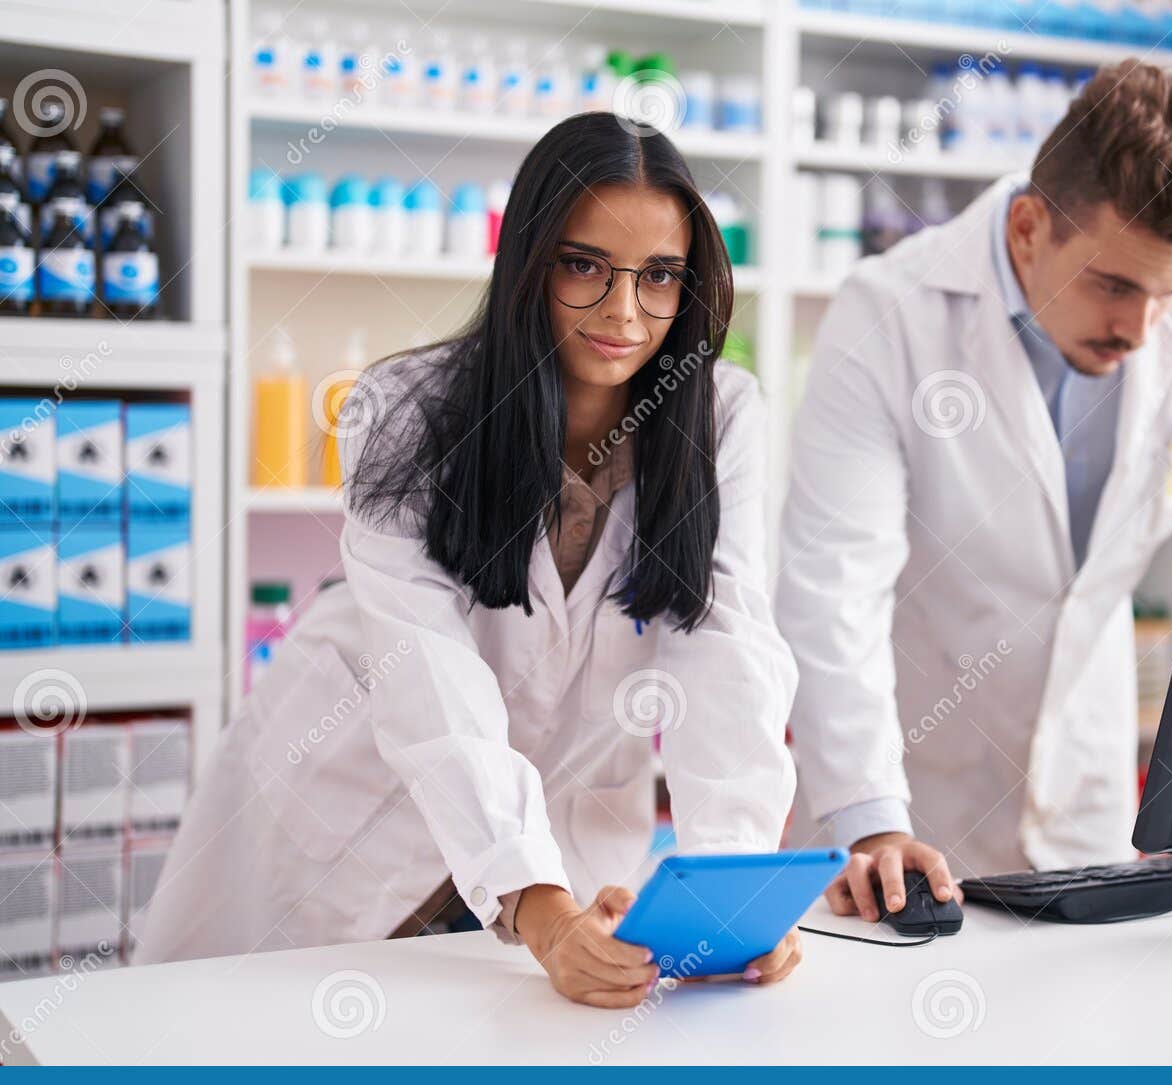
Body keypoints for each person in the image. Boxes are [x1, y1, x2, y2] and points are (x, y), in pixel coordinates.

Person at [137, 114, 802, 1007]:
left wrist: (734, 895)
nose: (623, 311)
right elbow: (428, 674)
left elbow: (727, 647)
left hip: (570, 831)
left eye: (659, 277)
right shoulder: (404, 410)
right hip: (355, 810)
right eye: (584, 266)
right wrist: (539, 907)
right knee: (282, 1061)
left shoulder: (721, 419)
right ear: (526, 260)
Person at [776, 61, 1172, 922]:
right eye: (1114, 285)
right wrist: (868, 819)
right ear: (1031, 227)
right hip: (906, 807)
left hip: (1088, 803)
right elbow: (831, 588)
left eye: (1167, 295)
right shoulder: (889, 311)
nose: (1141, 329)